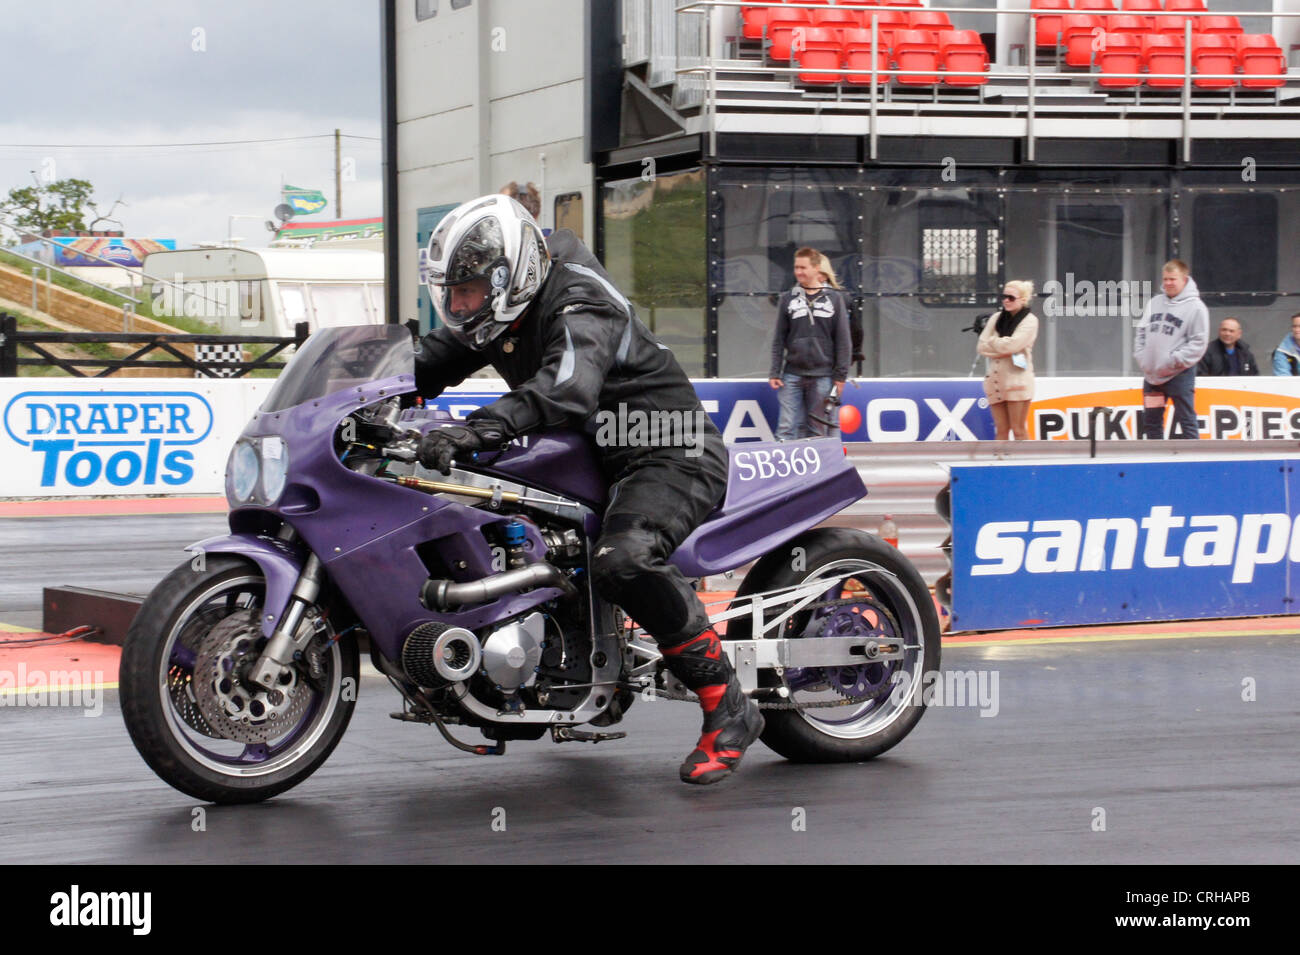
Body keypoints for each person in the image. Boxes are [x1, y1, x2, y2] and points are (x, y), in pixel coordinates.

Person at [413, 194, 763, 785]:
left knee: (622, 561)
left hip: (666, 451)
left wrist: (478, 427)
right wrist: (361, 393)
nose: (457, 305)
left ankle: (728, 704)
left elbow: (565, 388)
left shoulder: (579, 300)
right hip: (593, 459)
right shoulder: (492, 315)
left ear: (508, 279)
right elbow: (426, 361)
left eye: (467, 291)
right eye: (450, 292)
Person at [768, 247, 851, 441]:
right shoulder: (787, 298)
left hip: (824, 375)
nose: (799, 272)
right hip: (791, 374)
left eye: (803, 267)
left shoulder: (835, 299)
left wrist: (840, 377)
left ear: (816, 268)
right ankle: (783, 468)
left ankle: (820, 471)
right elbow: (778, 339)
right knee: (786, 427)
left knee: (818, 429)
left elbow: (843, 341)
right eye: (796, 267)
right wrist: (774, 371)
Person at [1134, 259, 1209, 439]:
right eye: (1165, 279)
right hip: (1152, 377)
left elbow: (1199, 342)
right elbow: (1141, 331)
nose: (1167, 283)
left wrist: (1174, 360)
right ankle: (1155, 461)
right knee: (1151, 422)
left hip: (1179, 375)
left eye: (1172, 279)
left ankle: (1194, 462)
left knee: (1186, 421)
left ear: (1184, 279)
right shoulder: (1155, 302)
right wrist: (1142, 357)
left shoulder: (1196, 307)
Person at [976, 280, 1039, 440]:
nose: (1006, 300)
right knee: (1001, 430)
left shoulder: (1030, 320)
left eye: (1011, 297)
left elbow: (1012, 346)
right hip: (995, 381)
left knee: (1018, 429)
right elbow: (981, 347)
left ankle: (1025, 463)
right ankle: (998, 463)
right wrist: (1004, 346)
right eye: (1004, 296)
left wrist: (994, 342)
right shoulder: (996, 317)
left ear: (1023, 299)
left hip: (1016, 380)